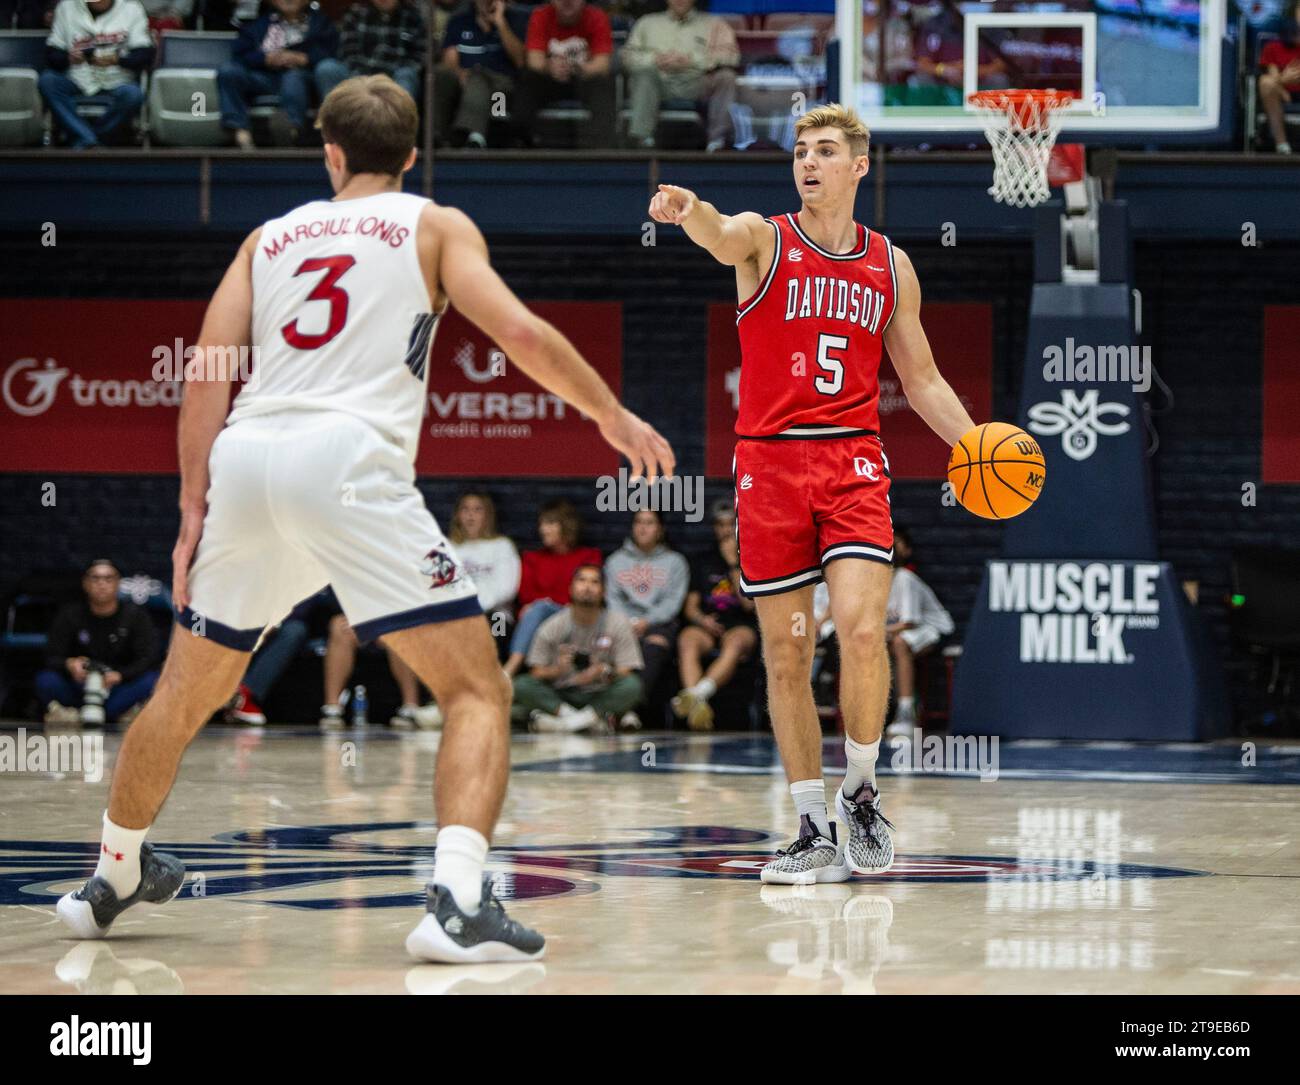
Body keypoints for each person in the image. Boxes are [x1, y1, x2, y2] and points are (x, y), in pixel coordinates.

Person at [56, 73, 674, 964]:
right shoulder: (433, 223)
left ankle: (112, 870)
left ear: (330, 152)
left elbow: (204, 372)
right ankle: (458, 903)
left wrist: (193, 510)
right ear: (414, 155)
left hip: (248, 457)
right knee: (476, 689)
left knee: (186, 692)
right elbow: (523, 335)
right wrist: (609, 414)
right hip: (345, 462)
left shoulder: (265, 238)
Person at [650, 103, 977, 884]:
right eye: (800, 151)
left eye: (826, 151)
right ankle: (807, 823)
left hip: (854, 463)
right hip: (769, 468)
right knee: (788, 648)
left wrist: (973, 446)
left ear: (859, 167)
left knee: (864, 632)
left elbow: (921, 377)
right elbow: (722, 234)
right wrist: (690, 211)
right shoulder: (766, 240)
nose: (809, 162)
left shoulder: (889, 264)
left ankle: (860, 790)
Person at [412, 490, 521, 730]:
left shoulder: (502, 546)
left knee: (493, 631)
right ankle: (444, 703)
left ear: (488, 516)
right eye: (466, 510)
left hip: (497, 617)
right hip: (455, 616)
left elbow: (506, 588)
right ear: (458, 515)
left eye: (477, 510)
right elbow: (439, 586)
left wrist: (471, 610)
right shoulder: (446, 548)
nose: (471, 516)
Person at [511, 565, 643, 733]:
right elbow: (536, 672)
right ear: (571, 589)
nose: (587, 587)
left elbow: (627, 671)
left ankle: (571, 721)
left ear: (603, 591)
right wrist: (557, 670)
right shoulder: (553, 625)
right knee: (521, 685)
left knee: (632, 686)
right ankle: (582, 720)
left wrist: (604, 670)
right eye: (581, 581)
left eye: (594, 582)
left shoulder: (618, 623)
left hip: (599, 692)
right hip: (562, 693)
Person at [36, 559, 159, 727]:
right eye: (95, 578)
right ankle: (74, 713)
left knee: (152, 680)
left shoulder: (135, 616)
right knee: (46, 680)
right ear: (85, 583)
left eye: (108, 579)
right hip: (79, 686)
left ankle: (115, 713)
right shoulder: (70, 615)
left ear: (118, 583)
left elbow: (148, 657)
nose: (102, 584)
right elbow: (51, 655)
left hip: (117, 687)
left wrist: (120, 675)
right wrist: (70, 664)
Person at [604, 509, 689, 724]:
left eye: (649, 523)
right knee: (606, 644)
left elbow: (673, 602)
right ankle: (616, 709)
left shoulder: (675, 562)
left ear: (660, 529)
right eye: (638, 522)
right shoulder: (615, 561)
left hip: (659, 623)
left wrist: (646, 621)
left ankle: (627, 709)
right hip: (622, 623)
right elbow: (612, 599)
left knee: (654, 646)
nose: (643, 527)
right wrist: (628, 623)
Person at [217, 0, 339, 149]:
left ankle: (290, 132)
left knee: (293, 78)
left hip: (302, 78)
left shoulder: (321, 22)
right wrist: (265, 59)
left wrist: (303, 58)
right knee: (228, 71)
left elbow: (332, 52)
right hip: (263, 78)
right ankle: (240, 134)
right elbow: (239, 53)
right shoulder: (258, 23)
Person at [621, 0, 738, 151]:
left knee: (726, 77)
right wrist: (655, 59)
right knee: (644, 74)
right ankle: (643, 140)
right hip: (658, 82)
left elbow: (731, 56)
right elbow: (627, 57)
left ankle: (717, 142)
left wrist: (691, 60)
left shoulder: (714, 23)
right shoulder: (647, 23)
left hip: (696, 82)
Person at [502, 499, 601, 677]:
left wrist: (548, 601)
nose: (543, 529)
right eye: (542, 524)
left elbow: (589, 592)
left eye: (550, 523)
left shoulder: (589, 556)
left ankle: (511, 669)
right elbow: (526, 596)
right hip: (542, 618)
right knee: (535, 609)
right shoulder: (532, 558)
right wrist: (547, 603)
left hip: (577, 614)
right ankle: (516, 670)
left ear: (566, 525)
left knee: (540, 607)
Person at [39, 0, 153, 149]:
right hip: (77, 78)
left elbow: (144, 54)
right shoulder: (66, 7)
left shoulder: (132, 8)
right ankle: (91, 141)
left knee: (133, 95)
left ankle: (86, 140)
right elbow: (52, 54)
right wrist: (69, 58)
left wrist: (117, 60)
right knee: (48, 81)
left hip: (117, 80)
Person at [672, 531, 756, 731]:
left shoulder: (750, 559)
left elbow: (748, 605)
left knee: (735, 643)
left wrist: (733, 563)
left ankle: (696, 694)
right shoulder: (702, 561)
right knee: (687, 639)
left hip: (741, 626)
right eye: (720, 526)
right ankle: (697, 708)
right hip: (708, 626)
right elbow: (690, 607)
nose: (726, 534)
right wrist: (703, 621)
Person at [318, 589, 426, 730]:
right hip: (357, 616)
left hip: (395, 615)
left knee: (399, 629)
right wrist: (360, 618)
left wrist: (381, 622)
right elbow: (331, 597)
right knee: (338, 625)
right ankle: (332, 708)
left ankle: (411, 707)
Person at [515, 0, 615, 149]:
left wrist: (577, 68)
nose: (567, 1)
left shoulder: (597, 16)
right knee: (528, 78)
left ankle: (601, 151)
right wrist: (549, 67)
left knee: (604, 84)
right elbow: (534, 60)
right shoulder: (541, 15)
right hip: (549, 80)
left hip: (584, 79)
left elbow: (603, 65)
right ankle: (521, 143)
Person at [883, 528, 953, 740]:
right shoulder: (873, 582)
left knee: (899, 643)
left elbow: (909, 622)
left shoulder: (904, 578)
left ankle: (906, 714)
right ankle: (879, 713)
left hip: (934, 628)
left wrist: (878, 631)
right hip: (900, 631)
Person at [440, 0, 530, 148]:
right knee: (475, 79)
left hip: (503, 87)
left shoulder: (516, 20)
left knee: (483, 83)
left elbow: (521, 61)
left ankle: (469, 134)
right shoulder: (459, 21)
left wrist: (501, 23)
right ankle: (474, 138)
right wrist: (460, 74)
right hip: (467, 84)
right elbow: (449, 62)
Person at [316, 0, 426, 106]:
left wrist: (384, 81)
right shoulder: (356, 13)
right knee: (327, 68)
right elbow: (348, 52)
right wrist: (361, 80)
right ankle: (334, 120)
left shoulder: (413, 17)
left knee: (408, 74)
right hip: (358, 74)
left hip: (395, 78)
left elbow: (419, 56)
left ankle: (398, 123)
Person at [1259, 0, 1300, 154]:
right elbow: (1272, 77)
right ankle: (1282, 145)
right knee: (1265, 82)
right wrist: (1284, 80)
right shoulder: (1273, 47)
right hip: (1284, 92)